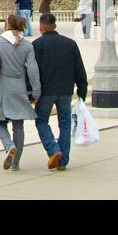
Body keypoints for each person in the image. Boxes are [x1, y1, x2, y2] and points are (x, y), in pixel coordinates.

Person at [0, 14, 40, 172]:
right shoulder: (27, 46)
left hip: (3, 87)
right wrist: (36, 91)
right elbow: (32, 70)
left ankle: (8, 146)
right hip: (19, 88)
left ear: (8, 25)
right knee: (18, 125)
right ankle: (16, 163)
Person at [32, 13, 88, 171]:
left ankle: (53, 149)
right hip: (65, 91)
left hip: (46, 92)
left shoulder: (37, 45)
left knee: (41, 120)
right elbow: (79, 70)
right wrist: (81, 91)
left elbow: (32, 71)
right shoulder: (70, 44)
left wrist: (31, 93)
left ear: (41, 27)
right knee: (65, 123)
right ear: (56, 26)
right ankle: (63, 160)